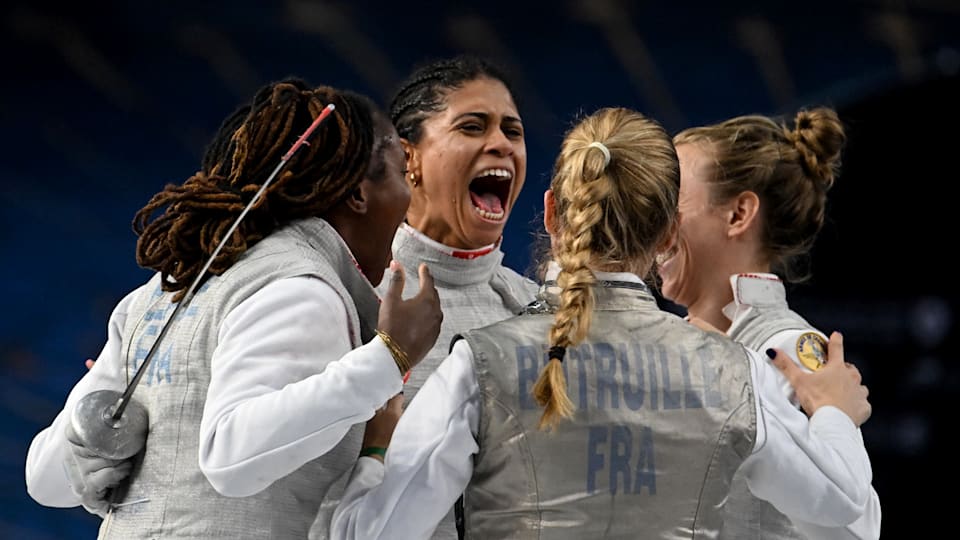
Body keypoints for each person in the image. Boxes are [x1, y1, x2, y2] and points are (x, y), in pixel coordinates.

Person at [329, 107, 875, 539]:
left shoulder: (481, 364)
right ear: (667, 233)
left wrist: (374, 452)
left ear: (550, 213)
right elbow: (844, 507)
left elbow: (371, 533)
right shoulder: (738, 372)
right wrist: (834, 415)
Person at [24, 77, 442, 539]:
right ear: (358, 194)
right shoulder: (301, 288)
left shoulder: (162, 293)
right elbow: (231, 460)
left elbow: (45, 477)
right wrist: (390, 358)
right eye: (403, 175)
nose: (411, 199)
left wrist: (85, 448)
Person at [315, 55, 541, 540]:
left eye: (513, 131)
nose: (501, 144)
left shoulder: (542, 312)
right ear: (408, 159)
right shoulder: (344, 295)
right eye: (472, 126)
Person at [656, 107, 881, 539]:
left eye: (673, 199)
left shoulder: (787, 348)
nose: (654, 220)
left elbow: (854, 528)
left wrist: (832, 415)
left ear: (738, 214)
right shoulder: (674, 342)